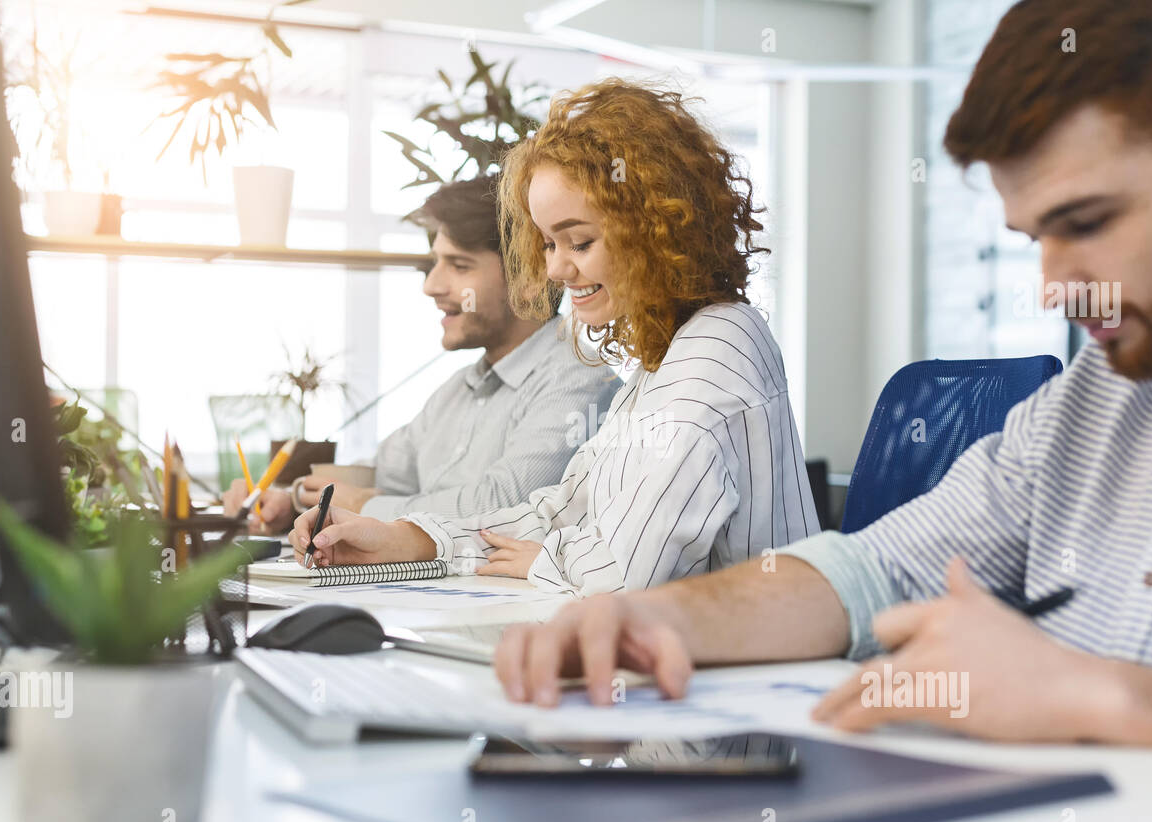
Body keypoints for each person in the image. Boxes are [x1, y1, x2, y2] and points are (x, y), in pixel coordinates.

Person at [485, 0, 1152, 770]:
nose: (1056, 289)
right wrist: (645, 619)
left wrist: (1121, 699)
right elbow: (867, 574)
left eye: (1088, 223)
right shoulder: (1100, 398)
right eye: (1036, 240)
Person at [291, 79, 818, 596]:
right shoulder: (664, 359)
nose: (557, 270)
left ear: (655, 228)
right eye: (548, 244)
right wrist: (405, 538)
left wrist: (549, 557)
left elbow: (628, 568)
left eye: (580, 241)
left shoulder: (720, 346)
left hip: (761, 669)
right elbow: (562, 509)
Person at [222, 174, 620, 530]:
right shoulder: (455, 391)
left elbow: (506, 508)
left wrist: (366, 506)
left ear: (531, 278)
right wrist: (287, 500)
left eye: (459, 266)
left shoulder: (581, 378)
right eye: (434, 264)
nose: (431, 286)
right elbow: (381, 476)